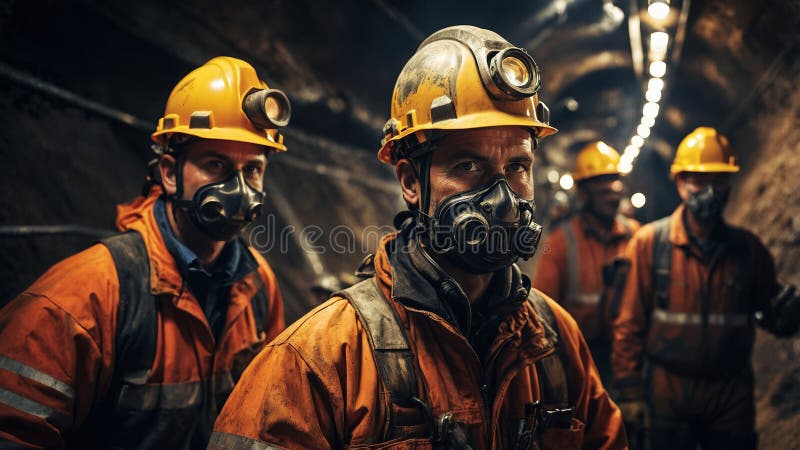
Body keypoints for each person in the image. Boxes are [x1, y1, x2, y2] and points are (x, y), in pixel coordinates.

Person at [210, 26, 626, 450]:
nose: (503, 202)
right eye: (468, 166)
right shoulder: (319, 360)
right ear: (411, 181)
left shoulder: (554, 339)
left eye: (518, 167)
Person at [0, 56, 288, 449]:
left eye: (252, 169)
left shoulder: (258, 284)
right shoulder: (84, 296)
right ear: (169, 173)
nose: (238, 189)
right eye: (216, 165)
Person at [611, 126, 800, 450]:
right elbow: (629, 323)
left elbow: (770, 313)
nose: (709, 190)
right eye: (698, 180)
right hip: (668, 391)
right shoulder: (650, 244)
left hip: (730, 395)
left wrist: (788, 315)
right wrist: (629, 393)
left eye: (718, 180)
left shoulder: (748, 250)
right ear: (680, 182)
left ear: (729, 184)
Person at [533, 141, 640, 382]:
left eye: (614, 187)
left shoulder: (635, 236)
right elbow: (542, 309)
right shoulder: (561, 242)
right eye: (603, 191)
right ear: (583, 193)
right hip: (579, 359)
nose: (612, 196)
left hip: (629, 359)